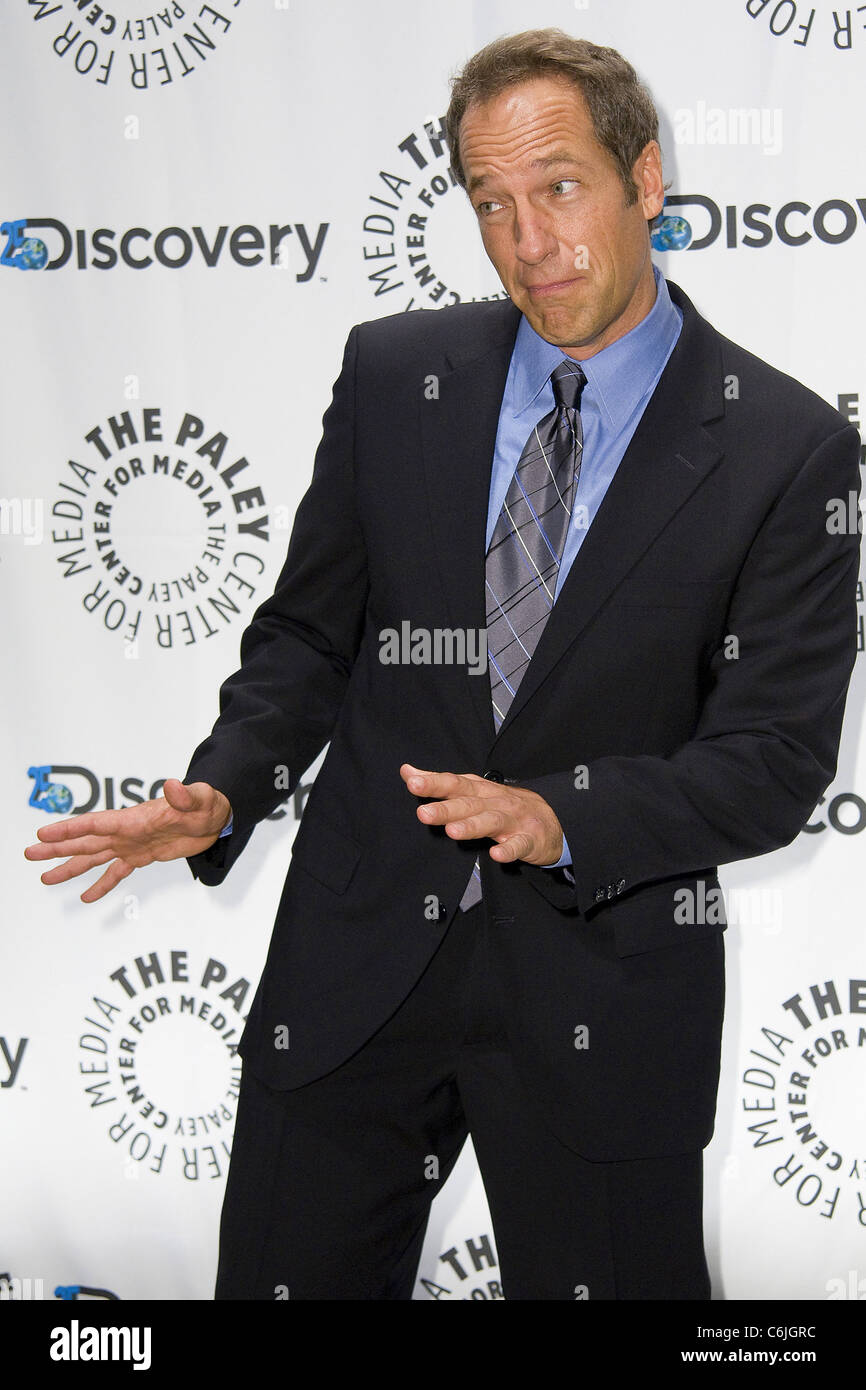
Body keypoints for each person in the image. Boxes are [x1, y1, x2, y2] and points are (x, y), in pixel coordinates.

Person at [25, 29, 861, 1300]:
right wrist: (227, 782)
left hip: (602, 991)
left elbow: (773, 762)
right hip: (353, 970)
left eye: (562, 188)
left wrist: (558, 815)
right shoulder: (393, 373)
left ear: (645, 181)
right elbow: (308, 636)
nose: (529, 242)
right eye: (491, 205)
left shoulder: (786, 449)